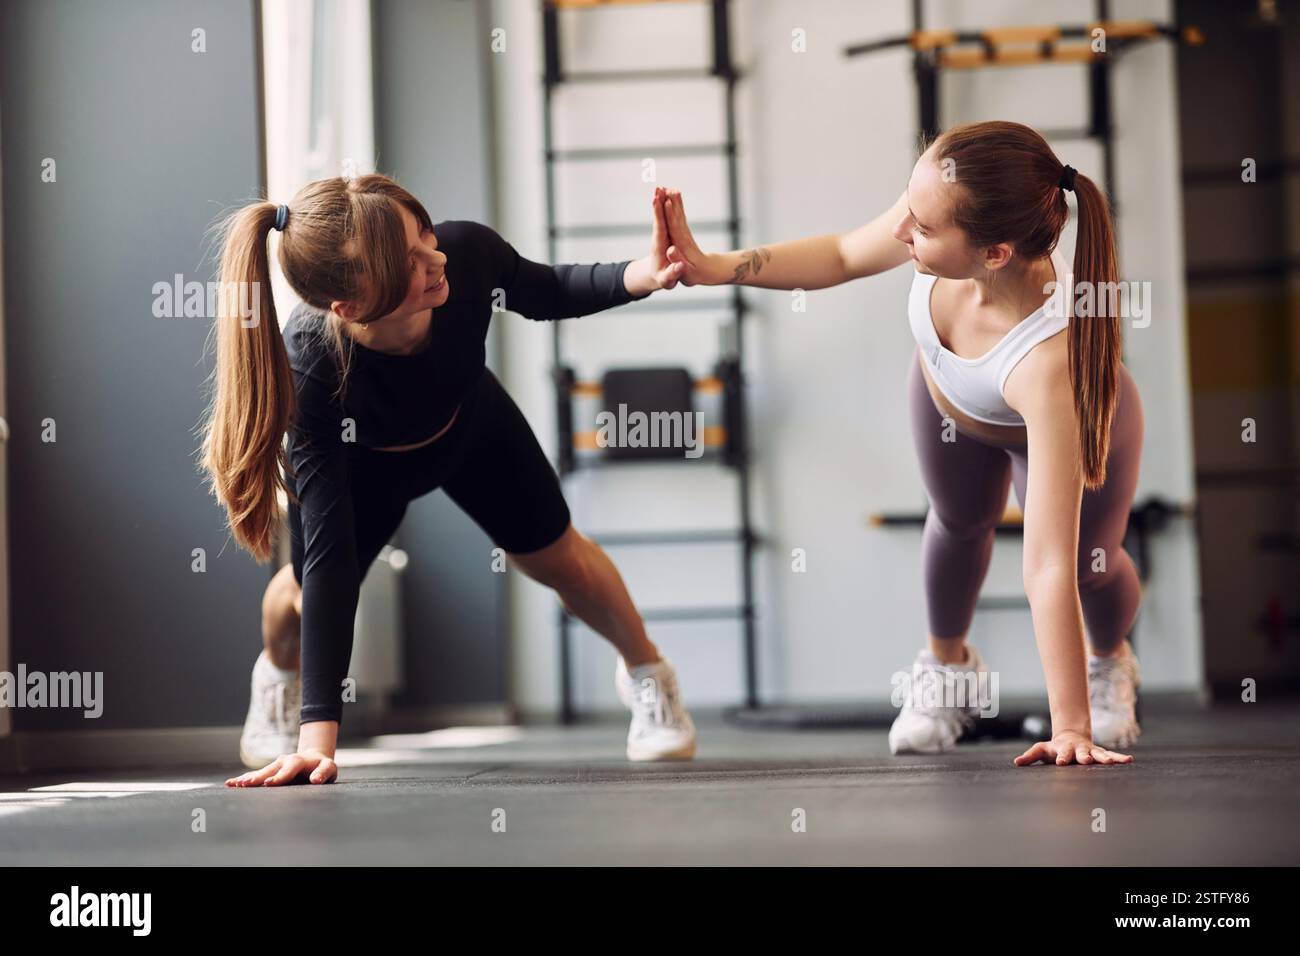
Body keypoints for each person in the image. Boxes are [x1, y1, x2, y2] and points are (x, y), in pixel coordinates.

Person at [656, 121, 1142, 767]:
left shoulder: (1049, 359)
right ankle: (947, 672)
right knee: (957, 521)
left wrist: (1071, 727)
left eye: (923, 228)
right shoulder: (939, 202)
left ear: (994, 254)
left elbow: (1044, 565)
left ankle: (1109, 663)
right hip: (952, 401)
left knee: (1087, 562)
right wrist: (716, 267)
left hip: (1070, 419)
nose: (899, 230)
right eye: (908, 210)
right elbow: (839, 255)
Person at [198, 175, 698, 786]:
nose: (435, 258)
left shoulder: (464, 255)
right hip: (364, 471)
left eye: (424, 233)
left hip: (469, 426)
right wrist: (317, 739)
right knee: (306, 592)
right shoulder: (313, 367)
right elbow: (330, 559)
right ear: (349, 307)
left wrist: (644, 274)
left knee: (559, 559)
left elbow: (547, 288)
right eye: (409, 261)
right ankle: (277, 678)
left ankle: (650, 675)